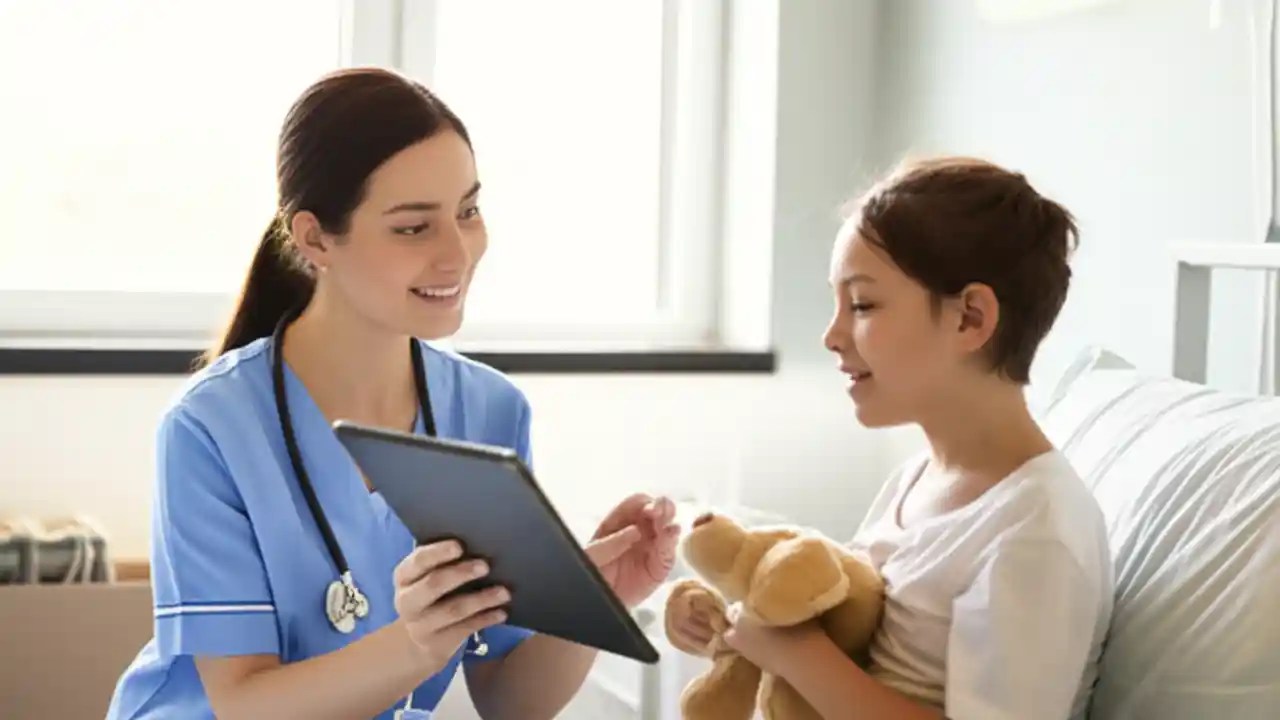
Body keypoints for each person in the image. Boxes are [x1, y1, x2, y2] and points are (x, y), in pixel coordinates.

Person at [106, 67, 680, 720]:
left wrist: (592, 604)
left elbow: (508, 700)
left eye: (467, 211)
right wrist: (413, 645)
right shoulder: (210, 428)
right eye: (414, 227)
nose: (458, 254)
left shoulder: (490, 411)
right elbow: (243, 703)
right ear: (315, 238)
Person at [669, 157, 1114, 719]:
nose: (832, 336)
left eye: (862, 305)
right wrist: (740, 621)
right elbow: (851, 630)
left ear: (970, 318)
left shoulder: (1037, 529)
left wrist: (795, 654)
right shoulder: (918, 480)